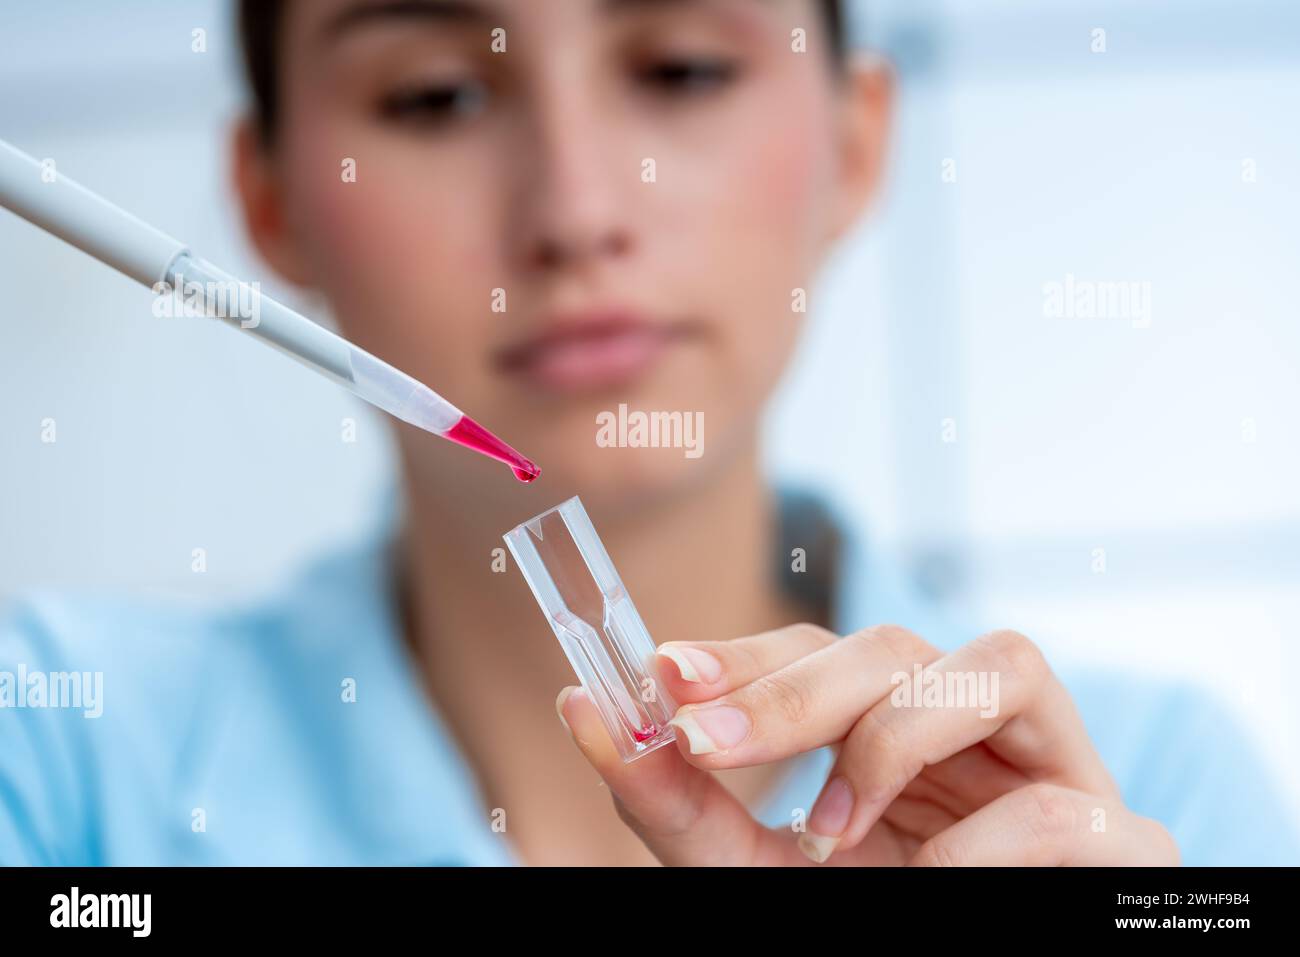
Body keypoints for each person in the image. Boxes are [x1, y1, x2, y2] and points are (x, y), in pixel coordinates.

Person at [1, 0, 1294, 866]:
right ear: (269, 199)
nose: (576, 208)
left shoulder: (1146, 795)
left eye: (681, 69)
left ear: (857, 141)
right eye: (438, 96)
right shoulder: (57, 749)